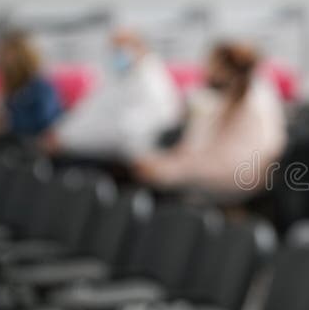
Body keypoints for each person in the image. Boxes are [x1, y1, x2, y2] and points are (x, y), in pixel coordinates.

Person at [133, 42, 286, 196]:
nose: (206, 71)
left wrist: (166, 168)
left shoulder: (238, 102)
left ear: (222, 69)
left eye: (210, 65)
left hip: (231, 178)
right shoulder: (259, 95)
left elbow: (211, 158)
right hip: (248, 175)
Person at [41, 29, 180, 160]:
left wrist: (69, 141)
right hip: (100, 147)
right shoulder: (117, 78)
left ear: (140, 48)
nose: (115, 55)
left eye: (120, 49)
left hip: (132, 154)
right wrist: (61, 133)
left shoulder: (152, 82)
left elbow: (126, 131)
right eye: (113, 50)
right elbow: (89, 112)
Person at [0, 31, 62, 137]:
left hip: (31, 145)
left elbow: (46, 121)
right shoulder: (10, 86)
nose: (4, 61)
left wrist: (9, 122)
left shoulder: (40, 86)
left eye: (8, 56)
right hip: (13, 142)